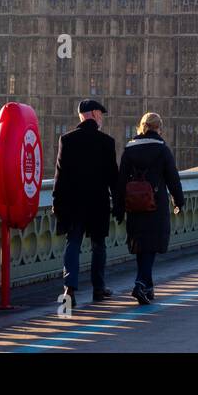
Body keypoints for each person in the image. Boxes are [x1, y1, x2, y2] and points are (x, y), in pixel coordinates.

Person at [52, 99, 119, 309]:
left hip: (73, 203)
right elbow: (113, 178)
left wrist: (56, 202)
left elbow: (60, 176)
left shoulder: (67, 140)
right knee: (99, 245)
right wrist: (119, 203)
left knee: (73, 243)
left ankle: (69, 289)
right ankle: (98, 288)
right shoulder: (106, 141)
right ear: (94, 114)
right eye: (101, 114)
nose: (102, 118)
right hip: (98, 202)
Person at [114, 112, 184, 305]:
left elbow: (121, 181)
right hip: (155, 204)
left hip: (134, 204)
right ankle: (140, 283)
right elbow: (173, 179)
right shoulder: (162, 149)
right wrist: (178, 201)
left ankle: (148, 287)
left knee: (140, 245)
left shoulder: (129, 149)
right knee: (151, 245)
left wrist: (118, 207)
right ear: (158, 128)